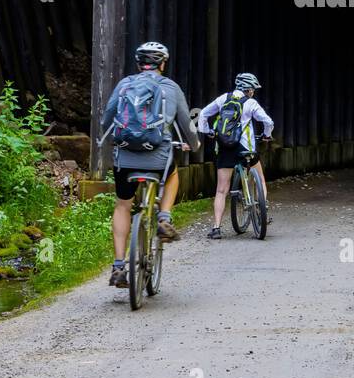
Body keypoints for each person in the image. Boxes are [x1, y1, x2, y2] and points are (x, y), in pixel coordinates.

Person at [101, 41, 201, 289]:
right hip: (158, 157)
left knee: (123, 204)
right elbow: (186, 124)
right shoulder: (170, 88)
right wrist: (195, 145)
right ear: (163, 64)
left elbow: (107, 119)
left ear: (138, 64)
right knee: (173, 175)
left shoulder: (125, 85)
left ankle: (117, 266)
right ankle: (164, 218)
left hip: (125, 157)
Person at [197, 72, 274, 240]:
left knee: (221, 189)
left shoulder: (223, 98)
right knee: (260, 179)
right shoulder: (251, 102)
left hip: (225, 148)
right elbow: (268, 122)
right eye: (253, 89)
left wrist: (207, 131)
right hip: (246, 149)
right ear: (249, 89)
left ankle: (216, 228)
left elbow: (203, 114)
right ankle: (262, 209)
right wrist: (267, 135)